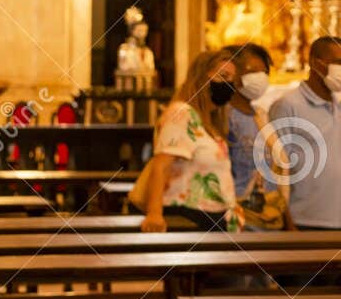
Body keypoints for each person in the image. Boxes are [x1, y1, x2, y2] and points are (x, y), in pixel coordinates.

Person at [139, 48, 240, 233]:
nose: (228, 84)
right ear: (201, 78)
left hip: (212, 219)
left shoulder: (208, 122)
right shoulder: (181, 114)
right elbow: (161, 166)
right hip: (188, 219)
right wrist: (154, 214)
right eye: (222, 75)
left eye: (232, 78)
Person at [269, 37, 341, 232]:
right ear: (315, 63)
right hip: (304, 221)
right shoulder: (288, 105)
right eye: (338, 62)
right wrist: (287, 222)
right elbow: (276, 169)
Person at [224, 43, 290, 232]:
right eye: (252, 71)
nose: (260, 78)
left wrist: (288, 220)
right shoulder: (225, 116)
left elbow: (277, 175)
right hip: (239, 224)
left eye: (264, 72)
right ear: (230, 72)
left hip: (270, 219)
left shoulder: (260, 115)